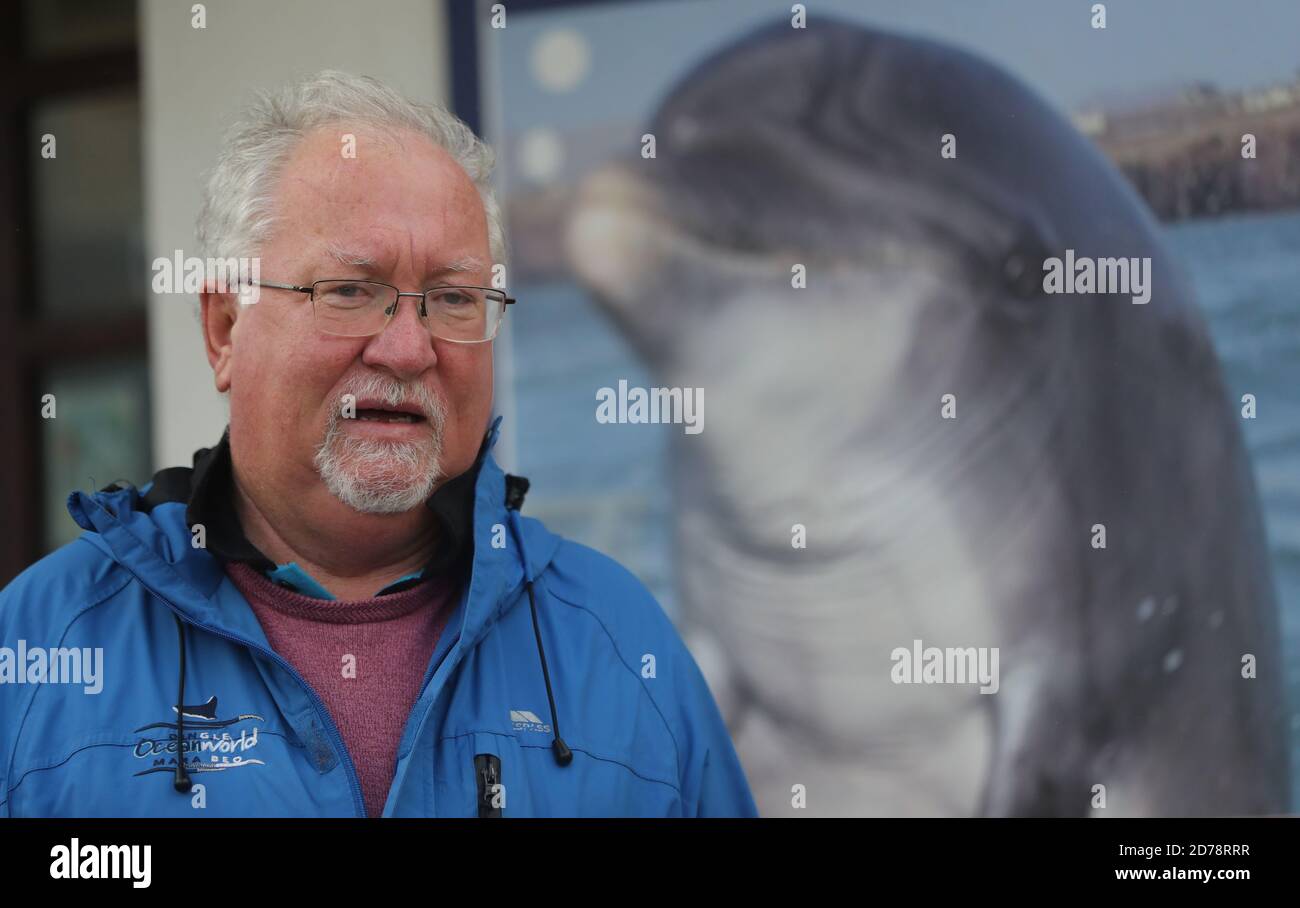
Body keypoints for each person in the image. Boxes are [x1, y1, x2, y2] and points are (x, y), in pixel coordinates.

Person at [0, 71, 757, 818]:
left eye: (454, 299)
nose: (407, 348)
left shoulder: (616, 643)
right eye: (349, 291)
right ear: (225, 328)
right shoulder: (42, 651)